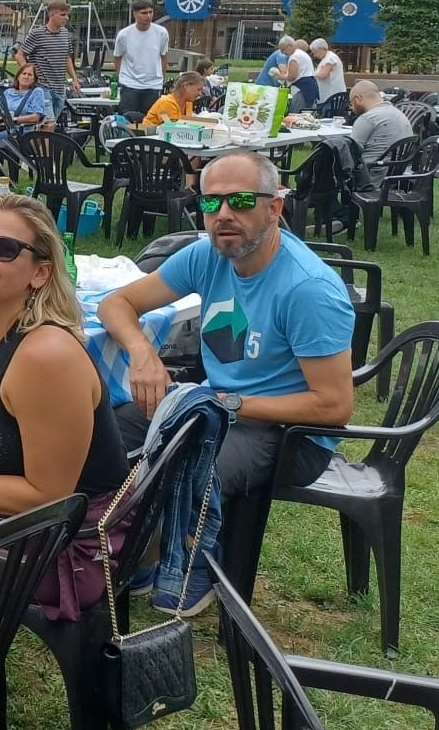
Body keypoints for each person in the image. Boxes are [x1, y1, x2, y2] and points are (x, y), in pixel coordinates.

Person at [98, 151, 355, 612]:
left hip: (290, 434)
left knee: (183, 458)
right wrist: (143, 355)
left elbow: (333, 406)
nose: (223, 215)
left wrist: (228, 403)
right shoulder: (207, 255)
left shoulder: (307, 290)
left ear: (274, 208)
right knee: (105, 430)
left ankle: (194, 564)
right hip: (213, 405)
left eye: (240, 201)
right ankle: (129, 550)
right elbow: (116, 304)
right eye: (211, 202)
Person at [0, 194, 126, 514]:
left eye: (4, 249)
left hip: (60, 546)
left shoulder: (46, 356)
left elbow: (48, 497)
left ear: (40, 274)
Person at [347, 80, 415, 189]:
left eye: (352, 103)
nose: (353, 108)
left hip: (369, 176)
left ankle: (327, 204)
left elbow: (350, 152)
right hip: (396, 175)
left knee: (325, 166)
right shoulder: (400, 114)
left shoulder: (368, 118)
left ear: (358, 98)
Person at [112, 0, 169, 123]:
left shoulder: (161, 33)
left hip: (153, 84)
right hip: (130, 83)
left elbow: (163, 56)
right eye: (144, 13)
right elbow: (117, 57)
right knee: (126, 119)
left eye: (150, 12)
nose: (148, 16)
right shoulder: (124, 35)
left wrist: (161, 78)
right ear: (135, 14)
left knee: (150, 121)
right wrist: (121, 77)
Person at [18, 1, 80, 110]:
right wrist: (29, 73)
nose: (66, 18)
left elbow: (67, 58)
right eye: (62, 15)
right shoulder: (37, 34)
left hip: (60, 87)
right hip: (42, 86)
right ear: (52, 15)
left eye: (67, 15)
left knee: (52, 123)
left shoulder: (65, 34)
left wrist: (74, 79)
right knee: (47, 123)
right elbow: (20, 55)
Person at [0, 60, 57, 138]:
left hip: (21, 131)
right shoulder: (7, 92)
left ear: (34, 79)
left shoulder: (37, 92)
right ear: (18, 76)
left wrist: (14, 120)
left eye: (29, 75)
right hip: (1, 127)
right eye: (24, 74)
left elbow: (36, 117)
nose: (26, 77)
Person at [141, 70, 207, 129]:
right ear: (186, 86)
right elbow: (172, 128)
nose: (200, 94)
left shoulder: (188, 103)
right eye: (198, 90)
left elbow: (186, 125)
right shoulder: (166, 103)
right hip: (150, 138)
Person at [268, 35, 317, 111]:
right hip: (310, 87)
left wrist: (279, 76)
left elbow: (292, 77)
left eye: (283, 49)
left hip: (302, 90)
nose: (283, 53)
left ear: (290, 46)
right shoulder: (301, 53)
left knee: (295, 113)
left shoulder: (294, 57)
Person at [310, 37, 346, 116]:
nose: (314, 55)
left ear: (321, 49)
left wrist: (312, 74)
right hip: (329, 96)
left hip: (331, 97)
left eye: (315, 52)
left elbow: (323, 75)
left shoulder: (330, 58)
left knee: (326, 119)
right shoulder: (327, 58)